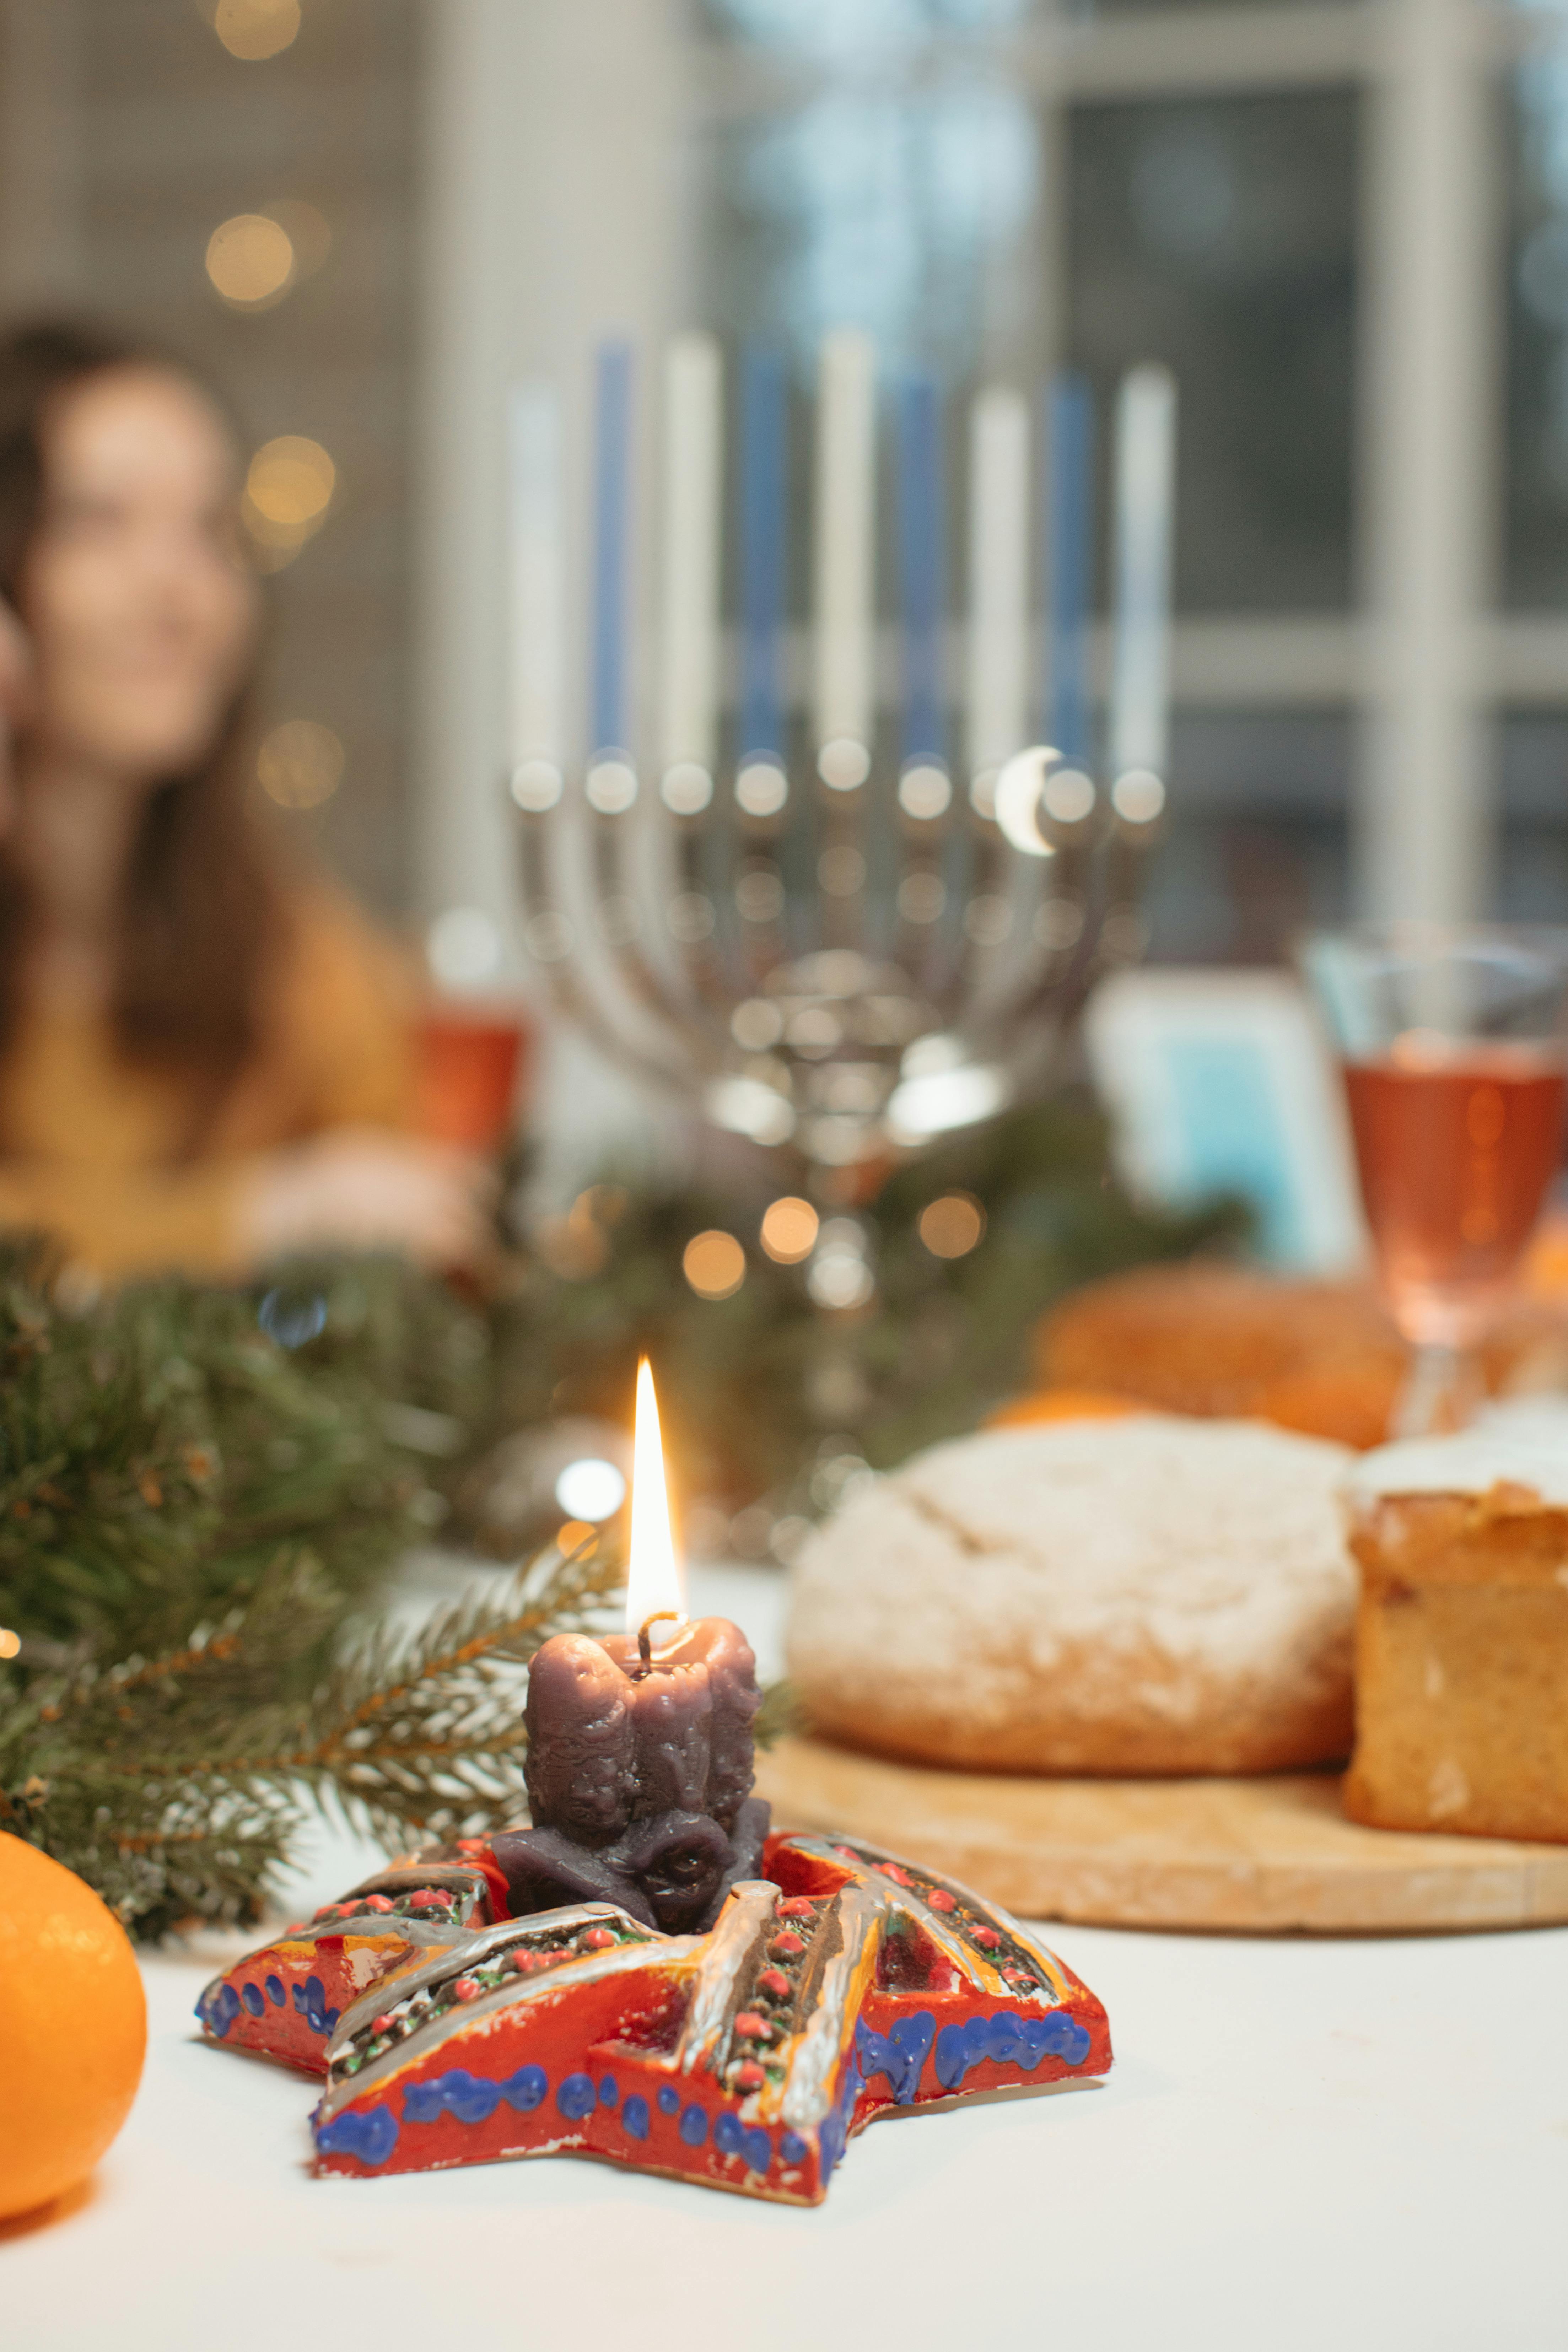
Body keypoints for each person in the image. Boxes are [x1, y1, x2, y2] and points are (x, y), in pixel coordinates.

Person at [0, 320, 491, 1279]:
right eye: (100, 522)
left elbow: (412, 1174)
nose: (179, 592)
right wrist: (259, 1217)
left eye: (211, 532)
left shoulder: (274, 930)